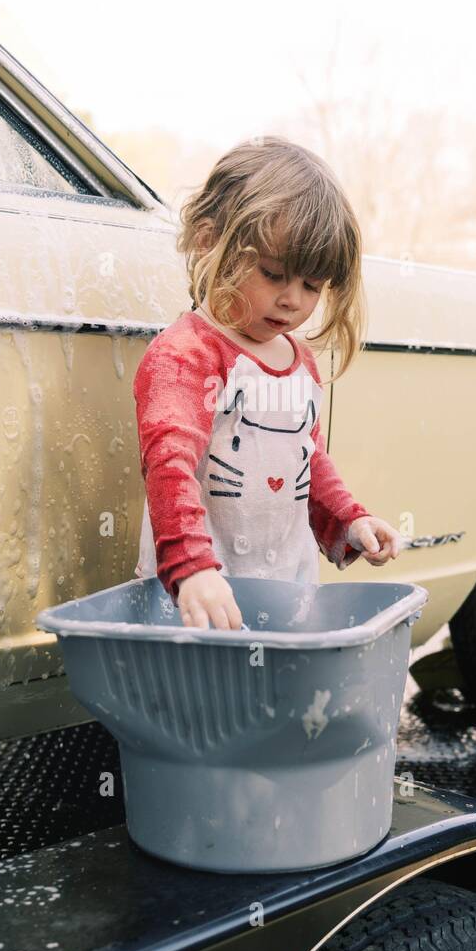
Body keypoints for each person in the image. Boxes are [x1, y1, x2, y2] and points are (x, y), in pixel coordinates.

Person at [133, 135, 402, 629]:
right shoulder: (186, 355)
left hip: (285, 591)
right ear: (209, 241)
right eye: (275, 274)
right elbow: (168, 466)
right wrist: (191, 569)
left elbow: (307, 459)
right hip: (201, 593)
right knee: (205, 702)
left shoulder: (299, 362)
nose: (293, 301)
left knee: (274, 702)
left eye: (312, 286)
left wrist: (348, 520)